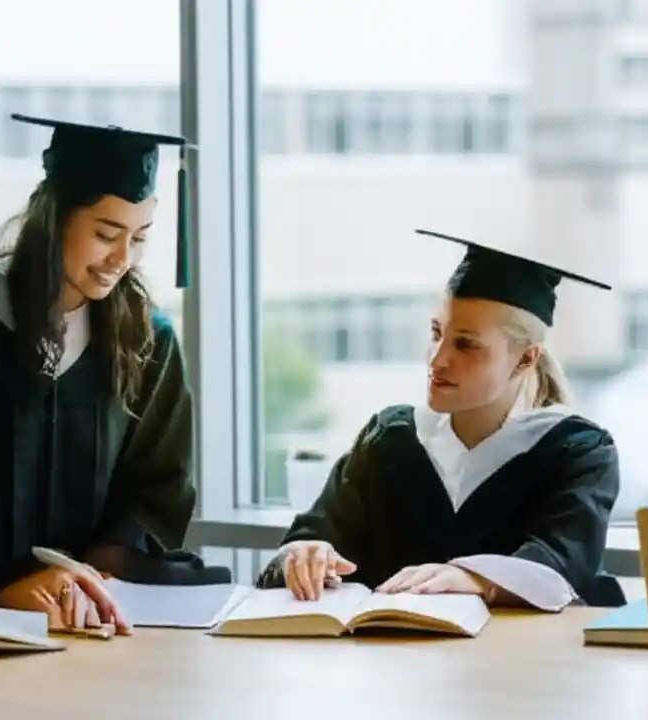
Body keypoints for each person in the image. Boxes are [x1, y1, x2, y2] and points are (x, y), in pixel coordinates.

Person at [0, 115, 200, 633]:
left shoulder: (144, 340)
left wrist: (92, 574)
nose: (121, 259)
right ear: (55, 217)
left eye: (140, 238)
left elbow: (157, 488)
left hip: (86, 616)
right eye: (106, 233)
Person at [259, 229, 622, 608]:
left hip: (523, 663)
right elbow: (316, 531)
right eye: (436, 333)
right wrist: (303, 555)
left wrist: (475, 578)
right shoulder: (391, 438)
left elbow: (563, 561)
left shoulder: (577, 452)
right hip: (392, 661)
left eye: (466, 344)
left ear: (525, 358)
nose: (436, 359)